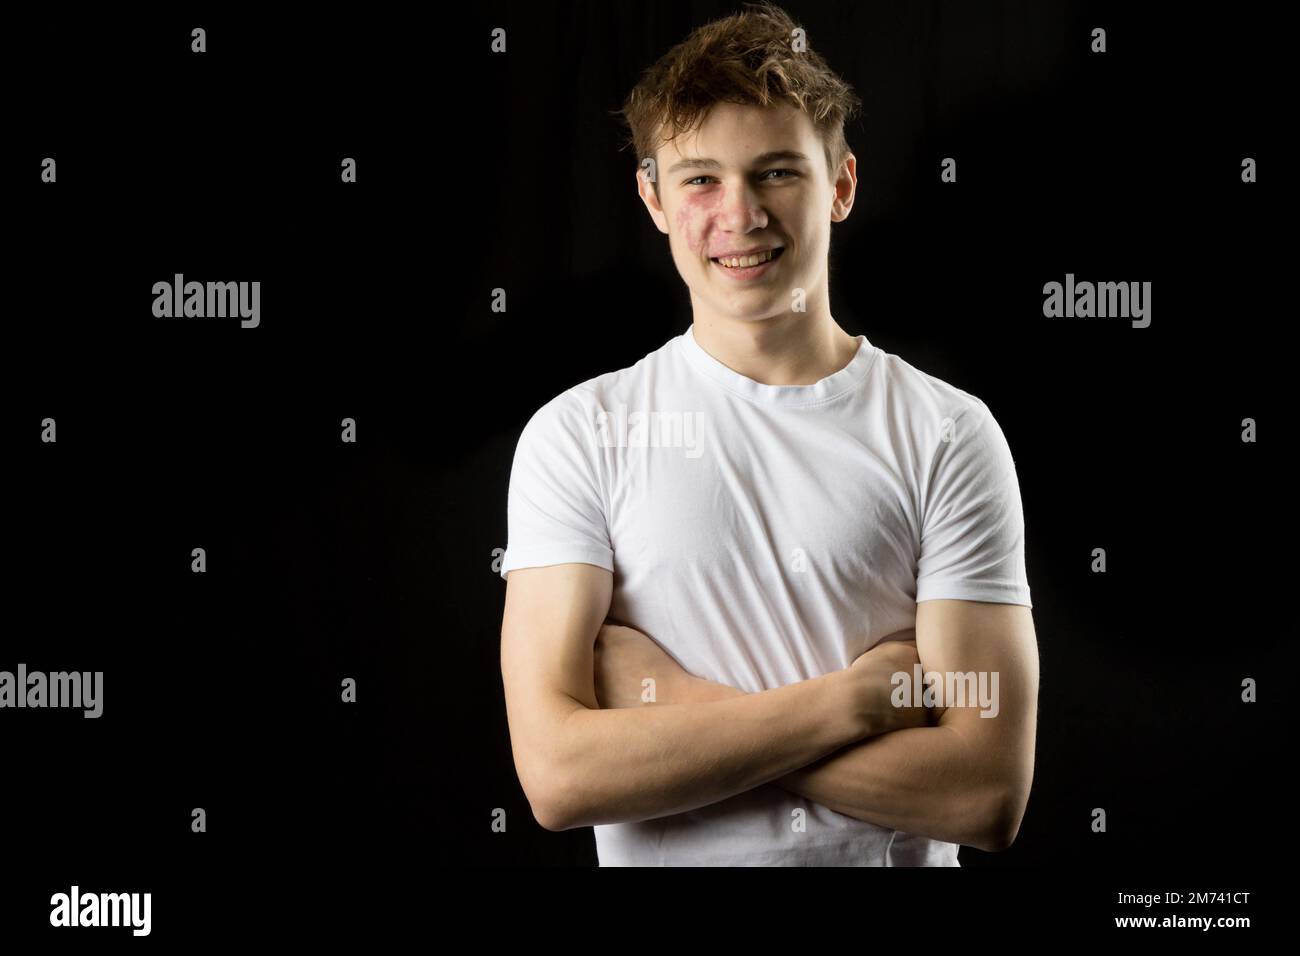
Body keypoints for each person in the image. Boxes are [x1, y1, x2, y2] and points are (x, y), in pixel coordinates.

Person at [498, 1, 1038, 866]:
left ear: (842, 186)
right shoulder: (578, 435)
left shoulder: (947, 434)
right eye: (701, 178)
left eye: (778, 173)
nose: (739, 214)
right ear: (652, 198)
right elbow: (559, 777)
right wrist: (852, 705)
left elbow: (983, 793)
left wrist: (668, 703)